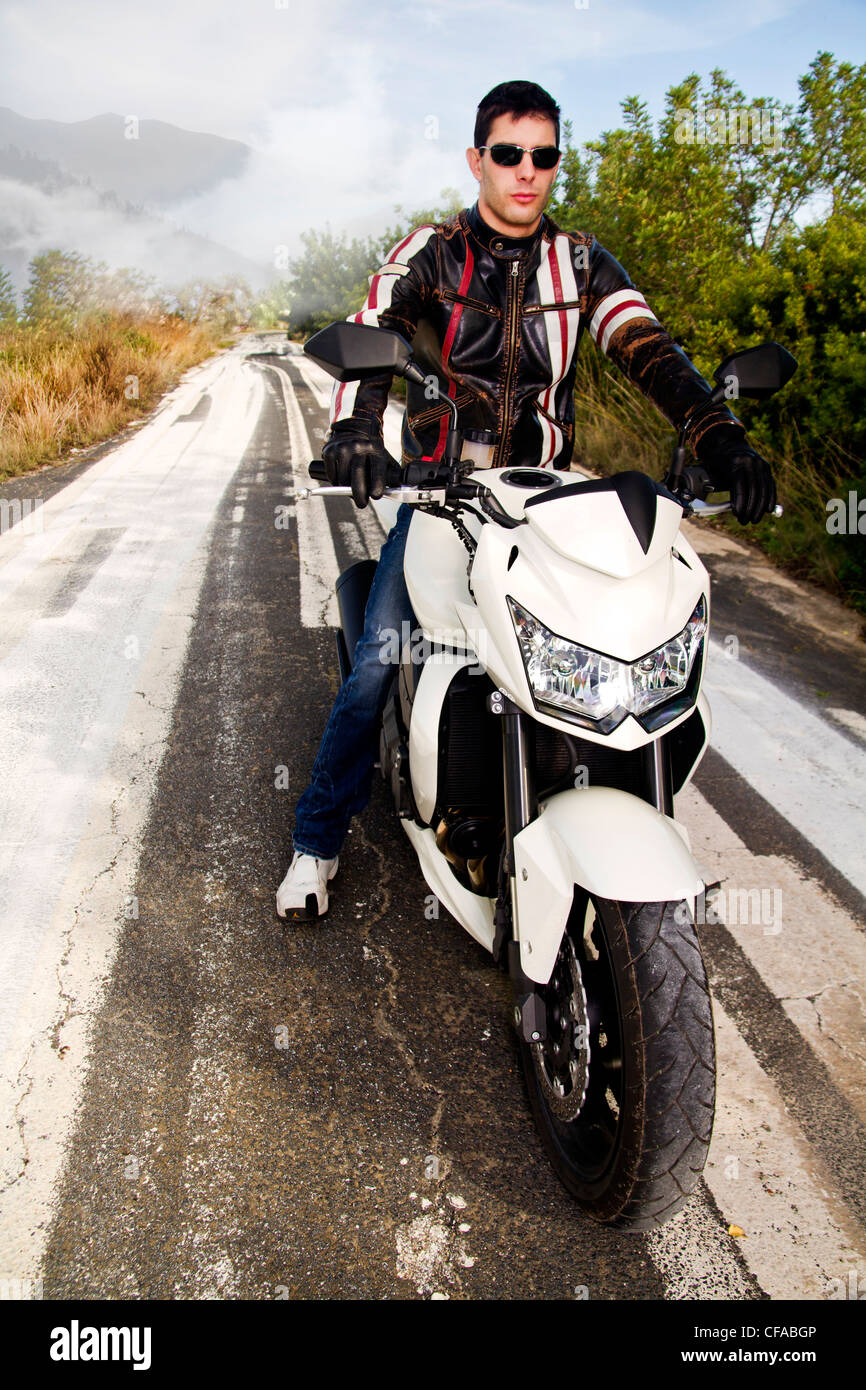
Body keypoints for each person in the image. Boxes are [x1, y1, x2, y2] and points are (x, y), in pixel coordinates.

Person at [276, 79, 776, 920]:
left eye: (544, 156)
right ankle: (316, 842)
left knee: (611, 643)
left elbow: (650, 348)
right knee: (377, 665)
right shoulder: (430, 254)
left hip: (549, 498)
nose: (526, 172)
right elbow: (378, 336)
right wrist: (358, 431)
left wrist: (719, 436)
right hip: (442, 497)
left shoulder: (581, 262)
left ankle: (611, 833)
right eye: (508, 154)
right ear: (477, 159)